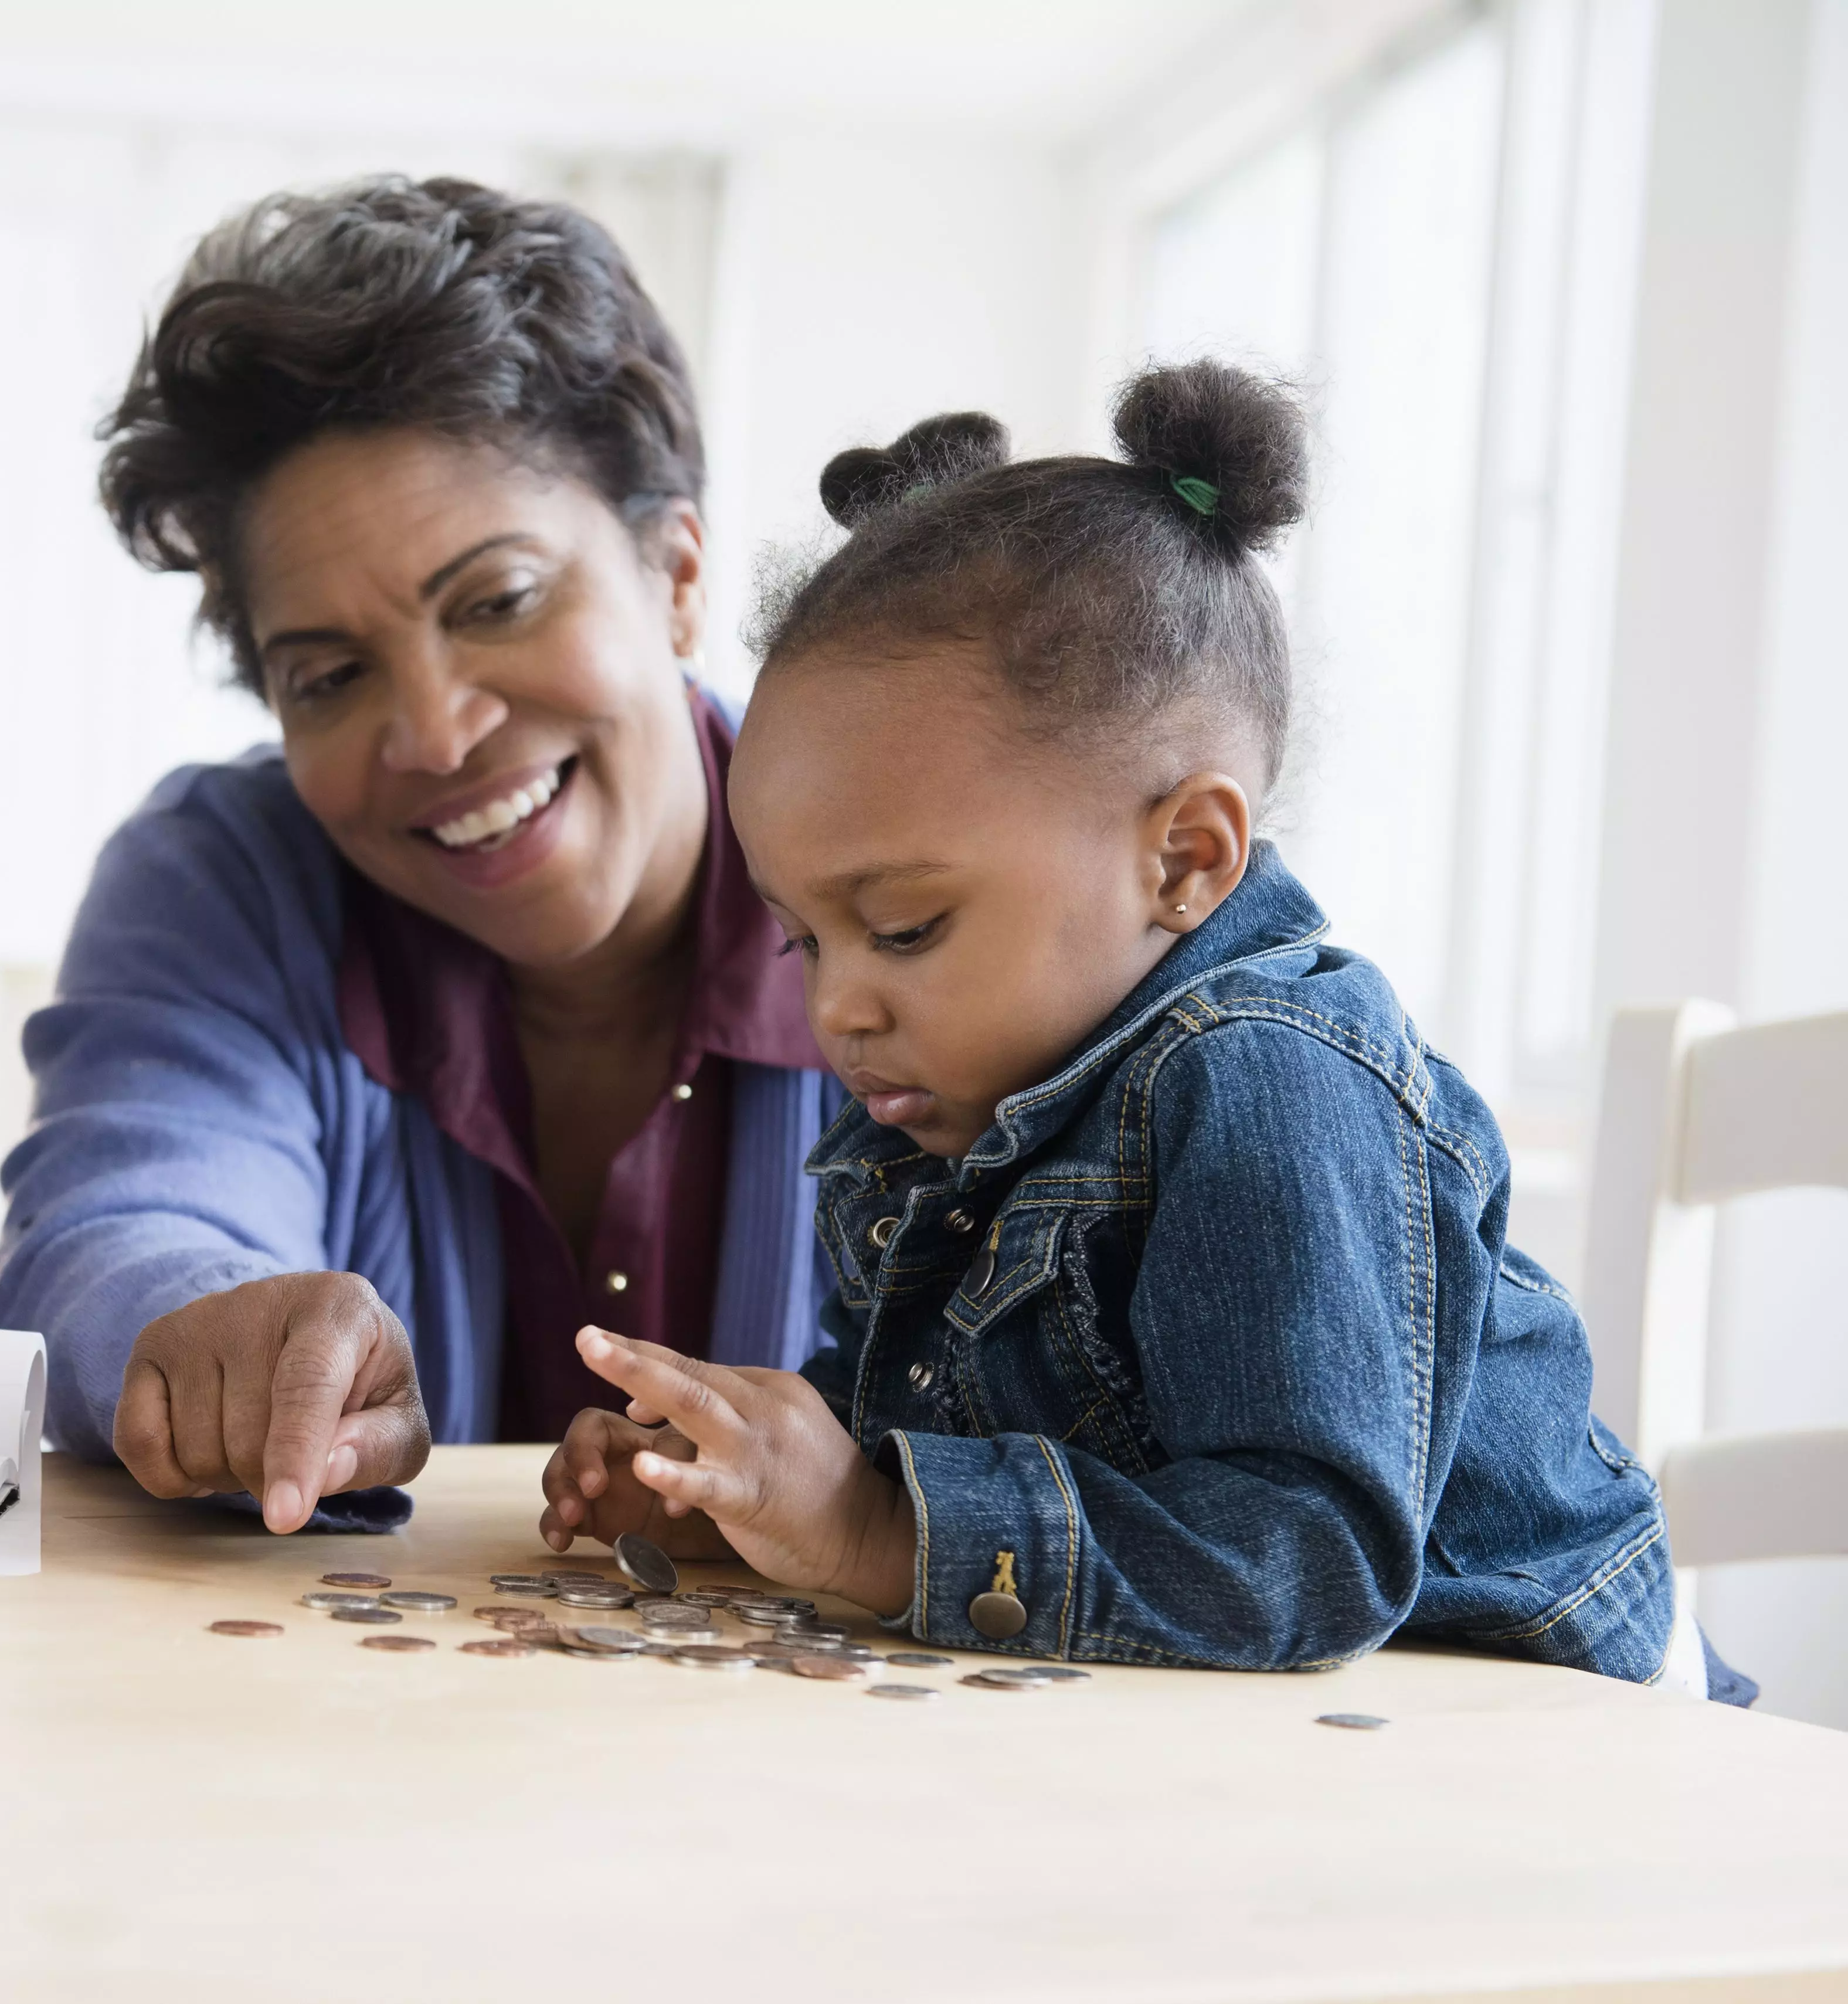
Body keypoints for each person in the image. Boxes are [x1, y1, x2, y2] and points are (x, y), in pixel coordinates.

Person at [538, 361, 1743, 1697]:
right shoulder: (945, 1078)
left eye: (905, 927)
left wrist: (882, 1529)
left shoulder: (1268, 1076)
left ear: (1184, 856)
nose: (836, 1007)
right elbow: (901, 1416)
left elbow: (1305, 1553)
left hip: (1544, 1716)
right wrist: (746, 1488)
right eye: (801, 937)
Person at [0, 178, 842, 1534]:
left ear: (676, 572)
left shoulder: (923, 877)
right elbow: (106, 1229)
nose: (436, 735)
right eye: (329, 675)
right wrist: (208, 1324)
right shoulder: (226, 877)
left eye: (498, 600)